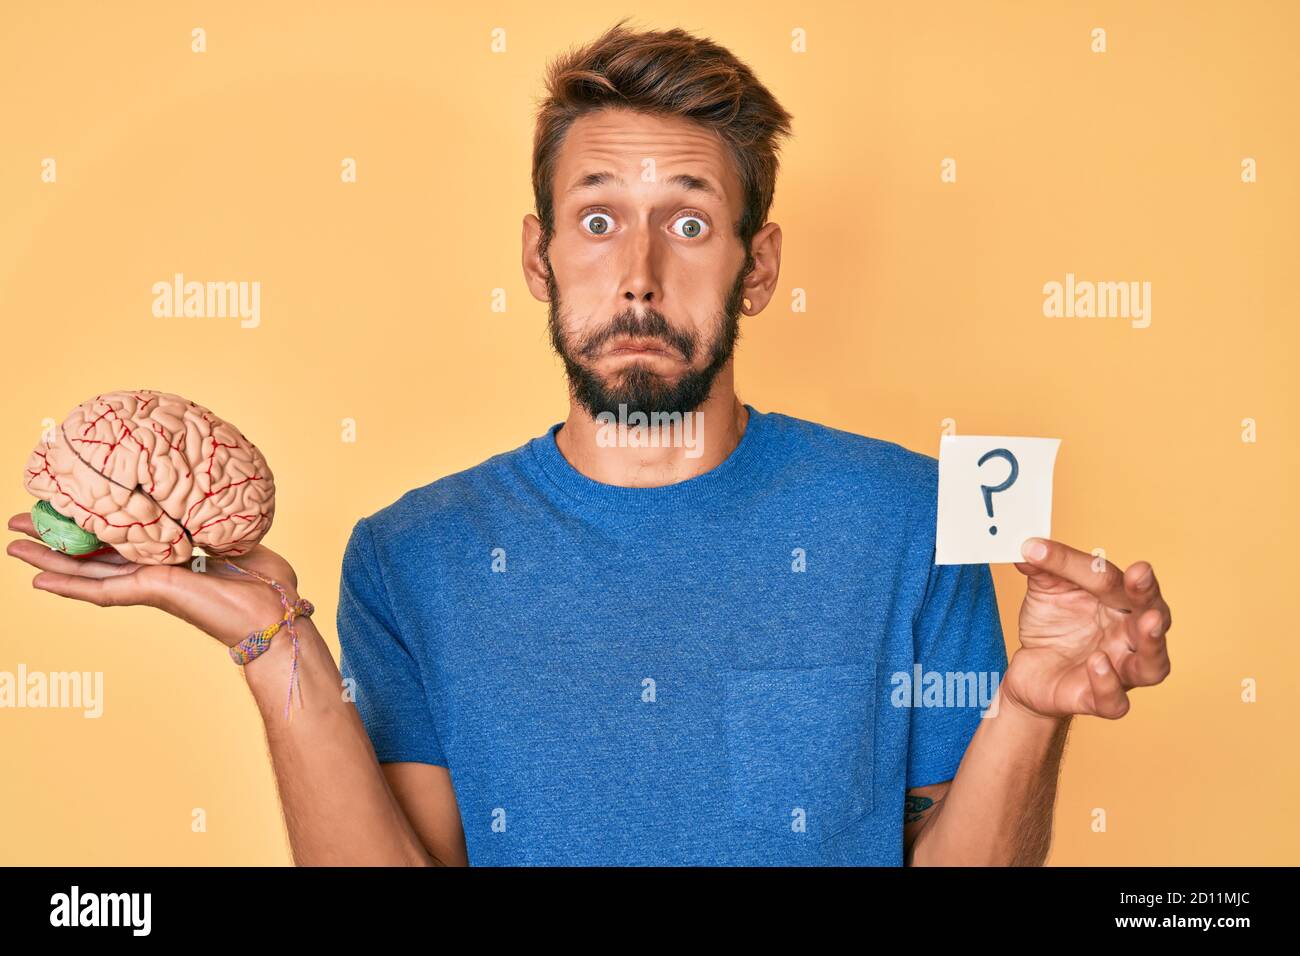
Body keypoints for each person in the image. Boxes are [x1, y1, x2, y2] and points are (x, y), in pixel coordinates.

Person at [5, 20, 1172, 866]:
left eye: (692, 223)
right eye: (599, 218)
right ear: (539, 256)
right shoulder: (414, 553)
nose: (641, 274)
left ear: (756, 268)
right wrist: (275, 649)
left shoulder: (912, 517)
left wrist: (1028, 710)